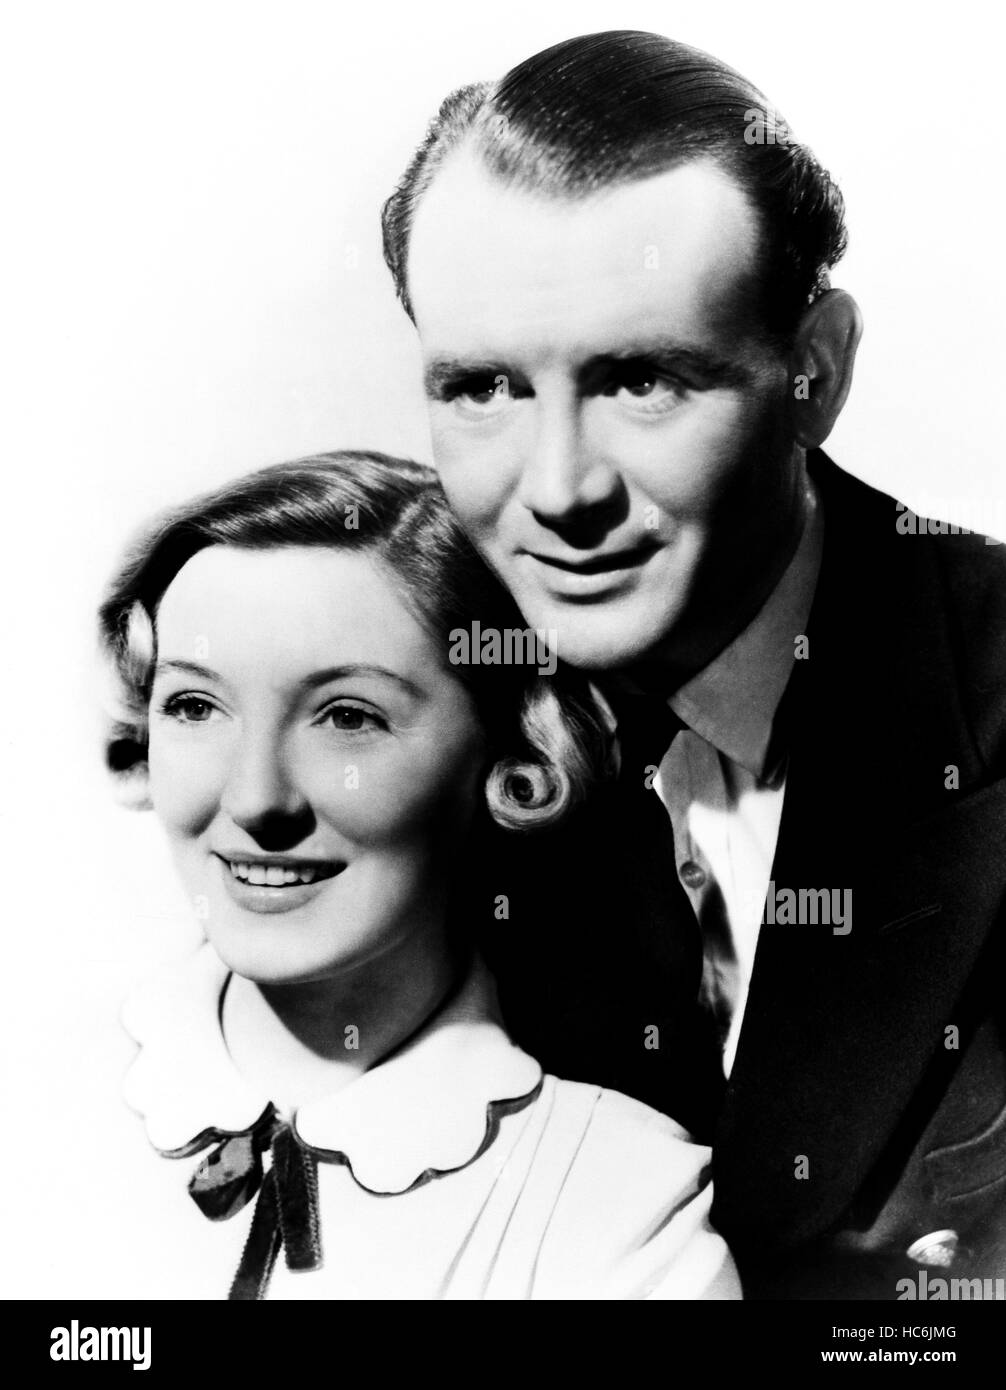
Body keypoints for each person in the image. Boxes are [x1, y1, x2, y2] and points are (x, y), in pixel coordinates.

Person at [381, 31, 1006, 1298]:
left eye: (642, 379)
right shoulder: (401, 726)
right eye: (482, 388)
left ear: (814, 372)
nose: (557, 492)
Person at [97, 449, 739, 1301]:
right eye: (193, 705)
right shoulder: (32, 1097)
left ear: (514, 762)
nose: (255, 797)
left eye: (348, 717)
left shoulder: (625, 1208)